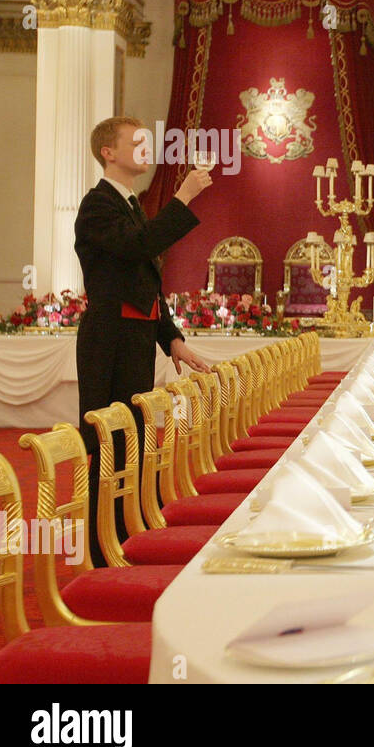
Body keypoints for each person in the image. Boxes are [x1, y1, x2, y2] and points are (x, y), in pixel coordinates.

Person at [74, 116, 213, 567]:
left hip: (134, 338)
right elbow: (137, 247)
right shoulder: (97, 205)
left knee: (133, 439)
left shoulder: (130, 205)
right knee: (107, 441)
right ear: (108, 153)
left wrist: (172, 340)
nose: (145, 148)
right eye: (135, 142)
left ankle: (128, 533)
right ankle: (102, 550)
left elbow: (144, 282)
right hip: (109, 341)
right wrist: (184, 196)